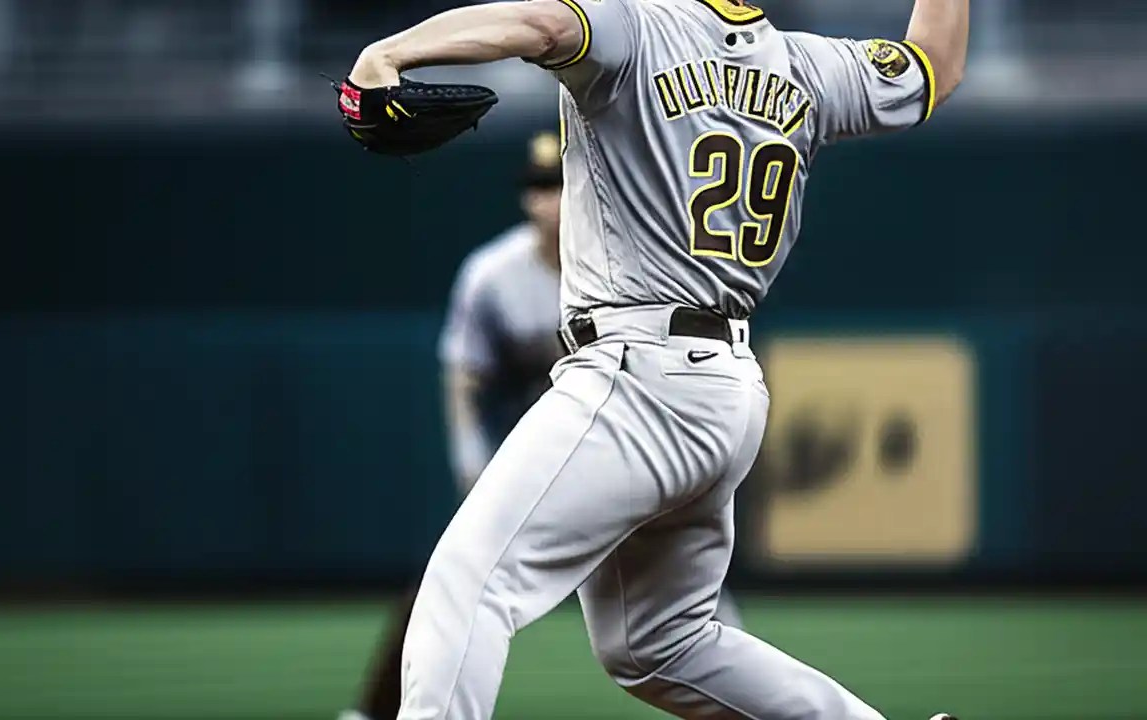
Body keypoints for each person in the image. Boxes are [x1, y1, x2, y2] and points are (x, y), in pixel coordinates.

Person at [342, 1, 969, 718]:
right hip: (726, 387)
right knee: (657, 645)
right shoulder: (806, 64)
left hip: (637, 371)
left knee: (466, 582)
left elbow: (543, 25)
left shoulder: (634, 24)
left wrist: (389, 53)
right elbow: (934, 68)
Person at [340, 131, 745, 720]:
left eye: (558, 185)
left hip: (629, 442)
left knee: (675, 615)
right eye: (537, 188)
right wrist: (469, 455)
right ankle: (371, 712)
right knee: (450, 580)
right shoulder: (493, 275)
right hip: (536, 447)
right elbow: (463, 374)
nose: (548, 201)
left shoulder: (629, 265)